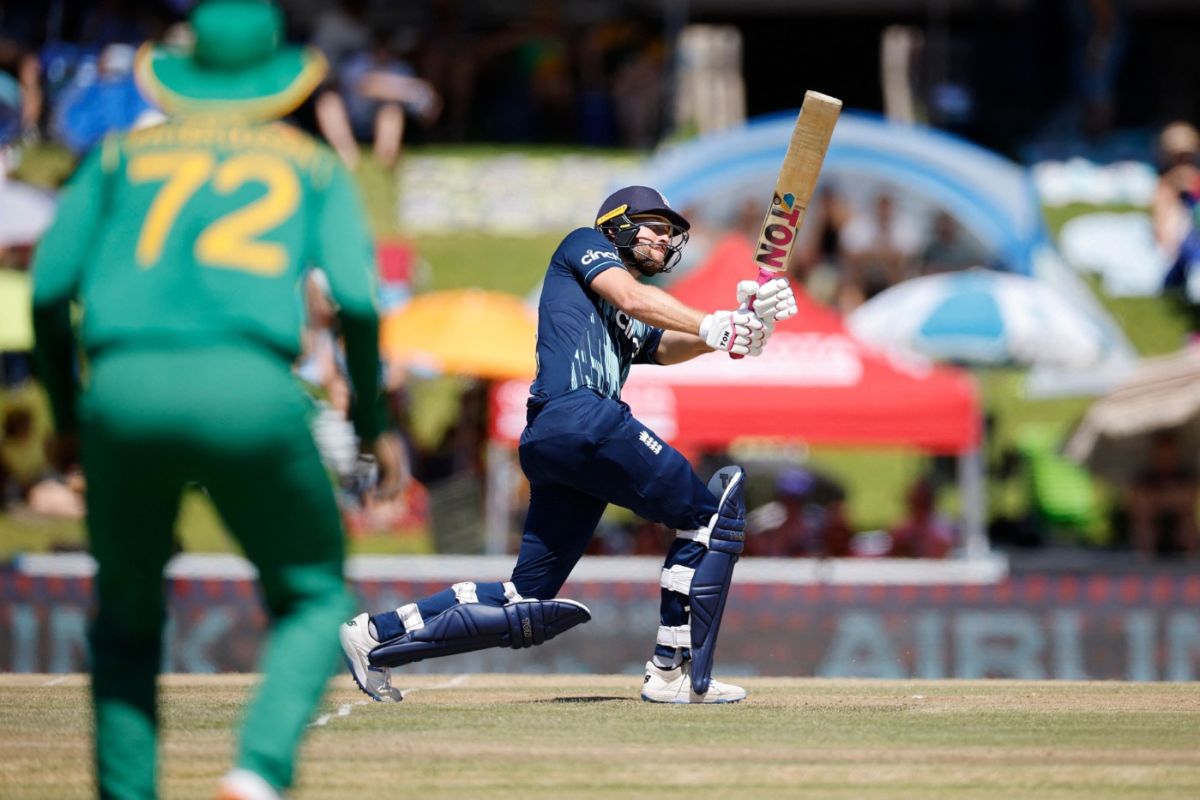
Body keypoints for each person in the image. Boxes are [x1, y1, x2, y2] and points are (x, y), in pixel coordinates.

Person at [30, 2, 398, 799]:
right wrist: (372, 424)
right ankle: (257, 771)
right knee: (312, 593)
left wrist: (66, 420)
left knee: (125, 616)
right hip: (249, 388)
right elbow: (360, 306)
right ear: (277, 77)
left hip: (121, 390)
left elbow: (51, 288)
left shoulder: (121, 155)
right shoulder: (308, 163)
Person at [339, 185, 798, 704]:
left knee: (523, 595)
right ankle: (673, 671)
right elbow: (633, 298)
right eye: (656, 226)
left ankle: (374, 635)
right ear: (618, 224)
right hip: (582, 417)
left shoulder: (627, 313)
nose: (664, 239)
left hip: (556, 441)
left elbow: (665, 346)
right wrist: (715, 324)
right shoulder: (584, 245)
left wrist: (743, 326)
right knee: (708, 518)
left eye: (671, 232)